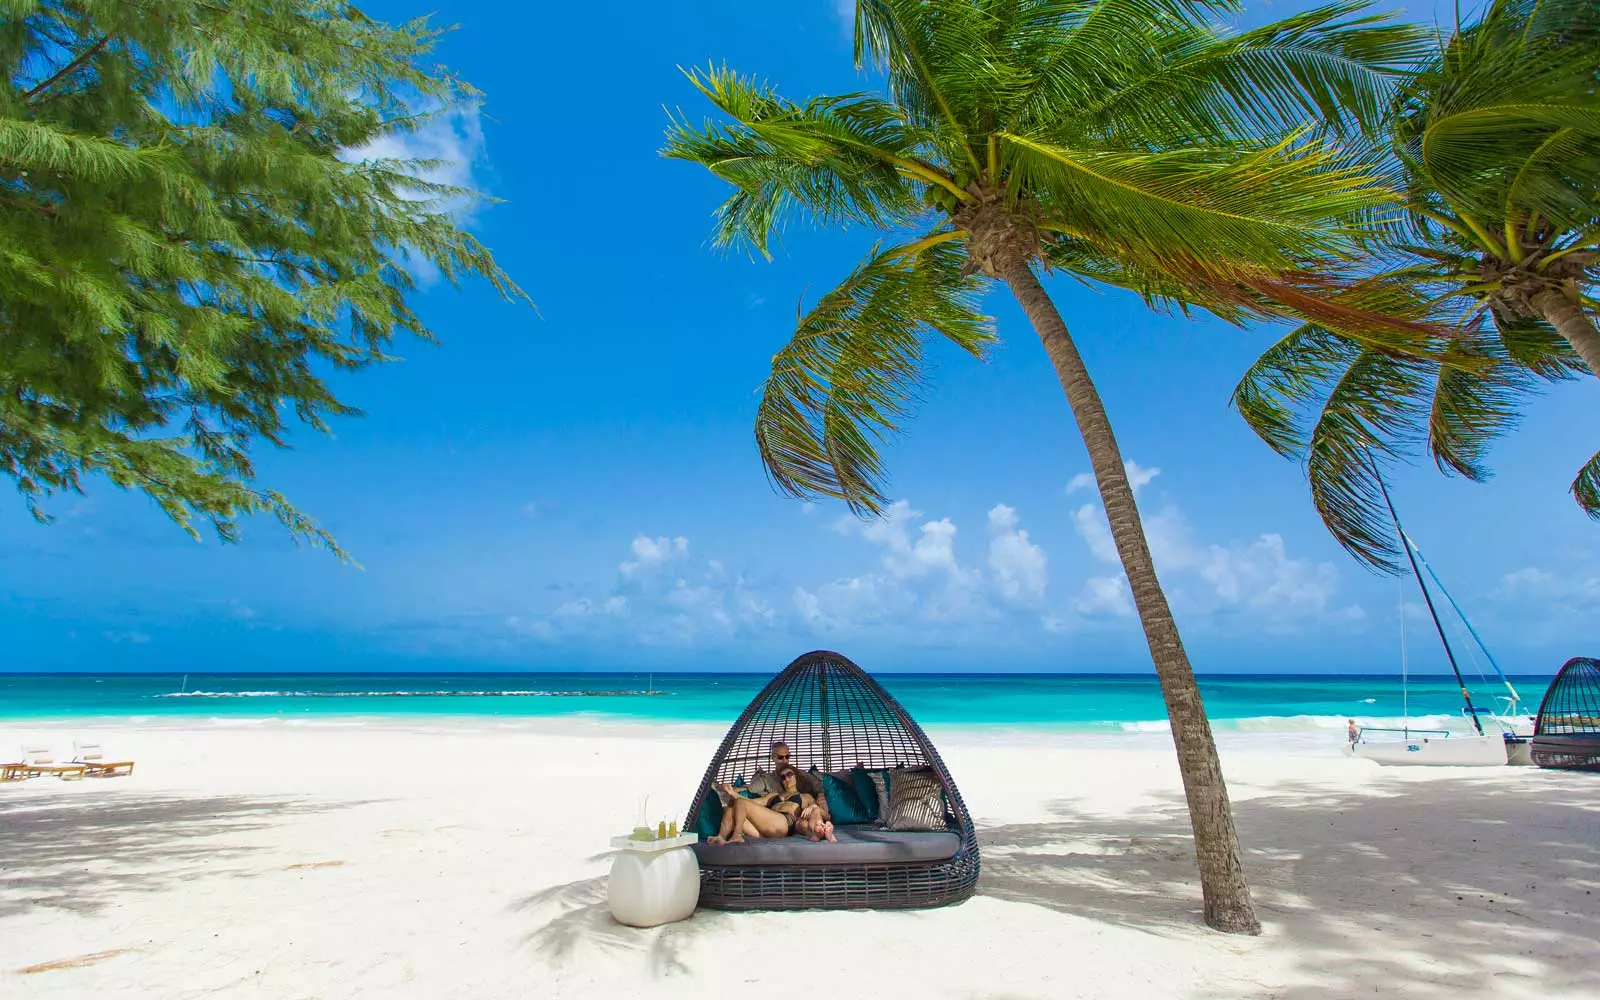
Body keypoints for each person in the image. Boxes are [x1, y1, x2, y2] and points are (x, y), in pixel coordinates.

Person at [707, 767, 836, 844]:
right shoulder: (773, 796)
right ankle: (721, 837)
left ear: (796, 777)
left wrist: (813, 806)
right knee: (730, 807)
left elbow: (819, 812)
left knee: (740, 803)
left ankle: (737, 835)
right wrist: (732, 793)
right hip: (765, 829)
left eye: (790, 774)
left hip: (784, 823)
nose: (786, 778)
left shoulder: (805, 796)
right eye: (783, 777)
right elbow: (752, 804)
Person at [749, 740, 831, 822]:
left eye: (787, 757)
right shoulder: (767, 778)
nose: (785, 760)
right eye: (781, 757)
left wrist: (821, 797)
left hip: (801, 814)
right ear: (773, 757)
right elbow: (752, 789)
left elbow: (819, 785)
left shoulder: (798, 773)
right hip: (776, 815)